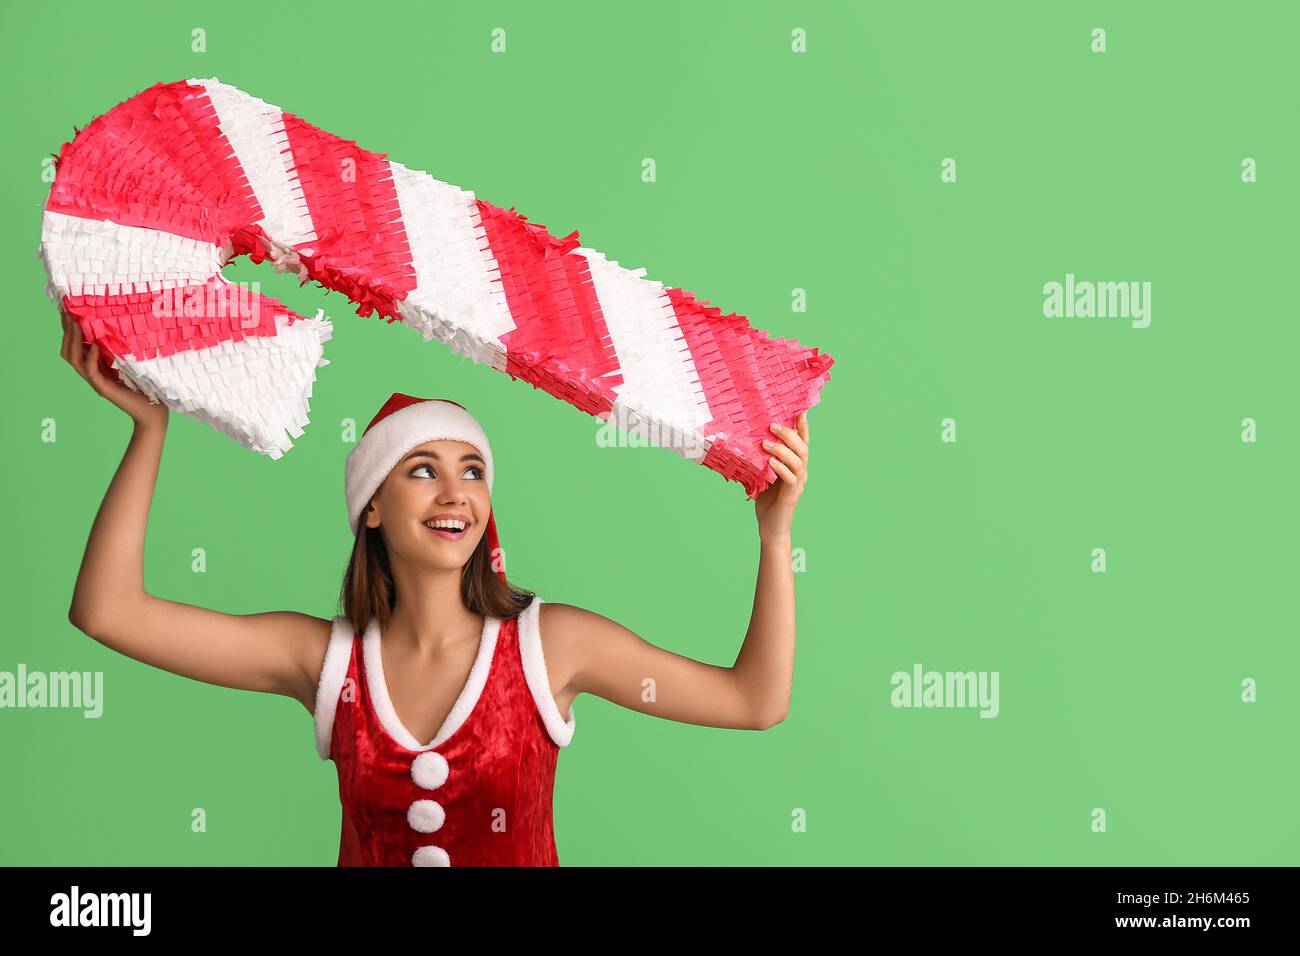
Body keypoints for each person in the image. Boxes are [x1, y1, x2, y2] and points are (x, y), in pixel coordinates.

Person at [59, 308, 812, 866]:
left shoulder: (553, 646)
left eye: (472, 472)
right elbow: (109, 610)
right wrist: (148, 432)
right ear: (373, 509)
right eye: (423, 470)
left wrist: (774, 538)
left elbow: (755, 702)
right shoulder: (324, 662)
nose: (455, 494)